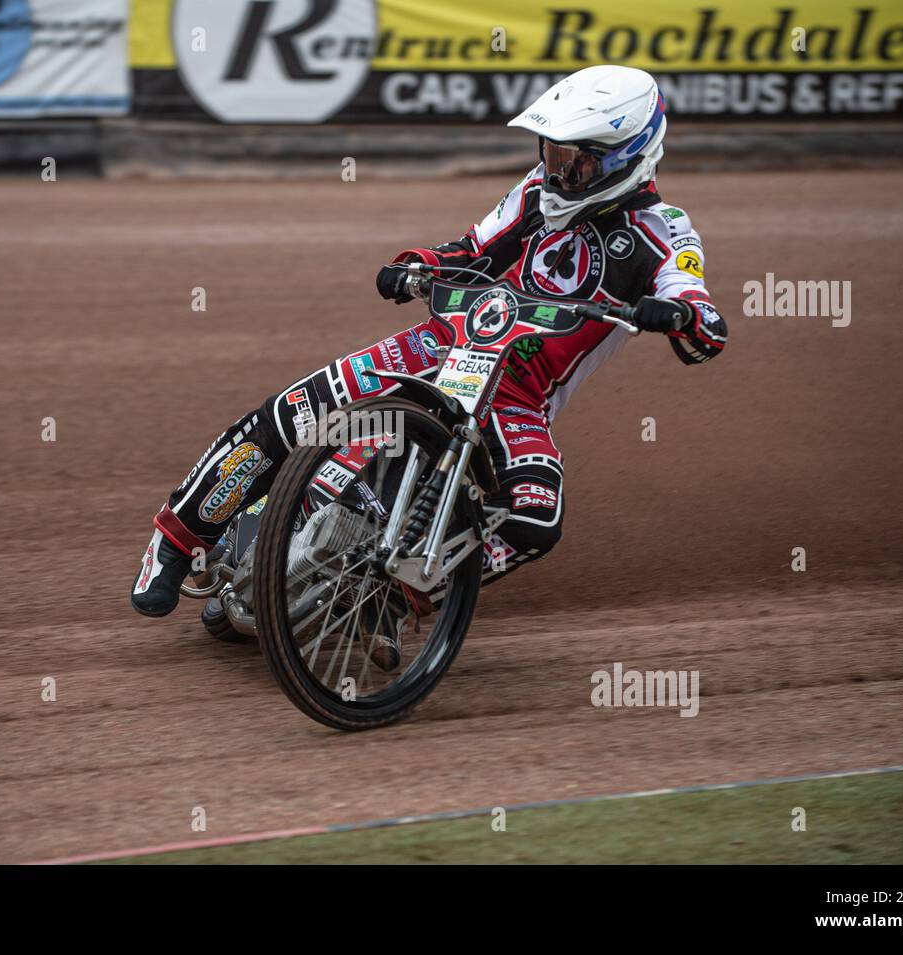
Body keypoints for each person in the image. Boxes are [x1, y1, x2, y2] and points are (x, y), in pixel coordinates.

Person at [131, 64, 728, 623]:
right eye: (552, 154)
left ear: (629, 157)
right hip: (444, 340)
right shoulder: (533, 192)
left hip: (517, 396)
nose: (557, 172)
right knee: (297, 411)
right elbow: (470, 248)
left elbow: (700, 310)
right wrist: (415, 265)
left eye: (576, 162)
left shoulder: (665, 231)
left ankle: (398, 597)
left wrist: (683, 314)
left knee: (534, 518)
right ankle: (177, 540)